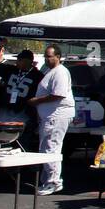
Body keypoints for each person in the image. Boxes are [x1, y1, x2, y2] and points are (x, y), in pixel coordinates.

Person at [28, 45, 75, 196]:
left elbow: (59, 94)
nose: (47, 59)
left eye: (50, 56)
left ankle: (53, 182)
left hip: (57, 115)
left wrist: (37, 100)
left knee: (51, 148)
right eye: (45, 56)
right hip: (49, 116)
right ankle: (46, 180)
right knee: (46, 147)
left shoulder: (60, 72)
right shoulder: (50, 71)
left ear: (58, 57)